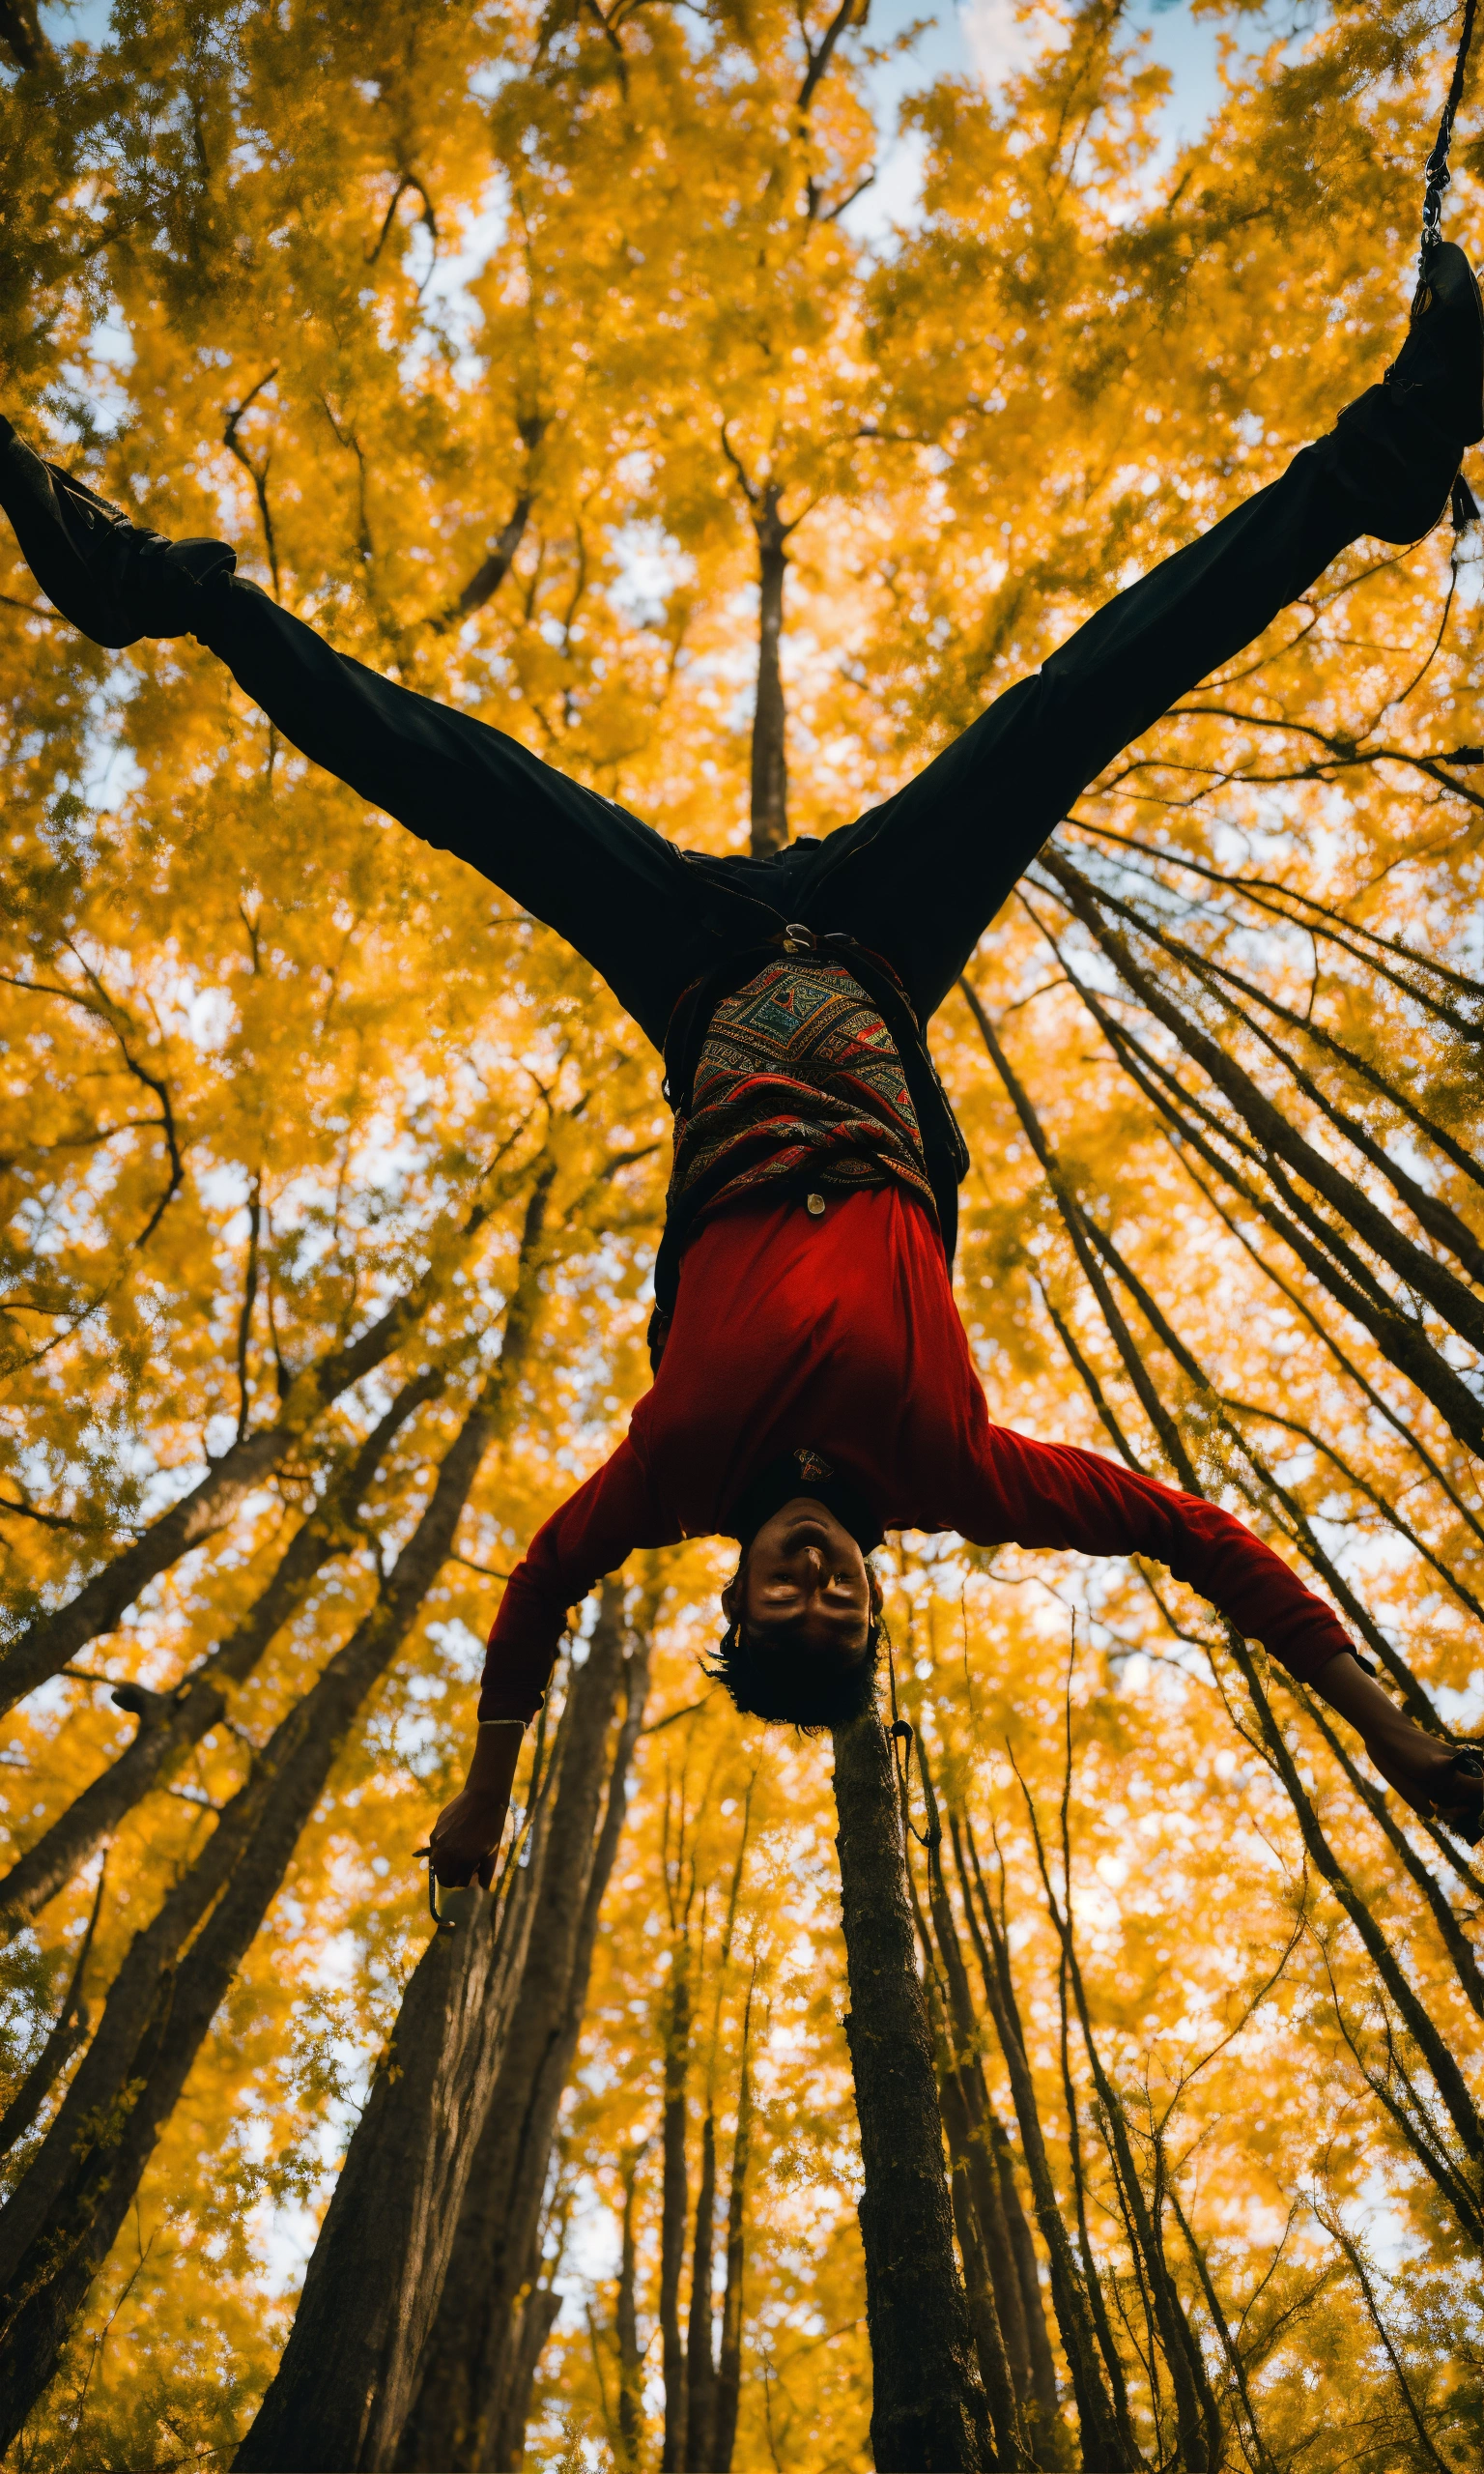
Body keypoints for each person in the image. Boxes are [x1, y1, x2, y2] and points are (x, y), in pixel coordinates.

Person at [4, 250, 1483, 1884]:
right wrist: (1392, 1734)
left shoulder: (671, 1475)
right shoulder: (959, 1476)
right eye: (839, 1611)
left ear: (731, 1592)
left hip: (703, 973)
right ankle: (1395, 455)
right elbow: (1203, 1543)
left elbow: (535, 1597)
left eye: (783, 1608)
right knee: (1074, 708)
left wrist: (491, 1796)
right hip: (874, 957)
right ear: (871, 1599)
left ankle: (169, 591)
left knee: (466, 783)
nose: (814, 1589)